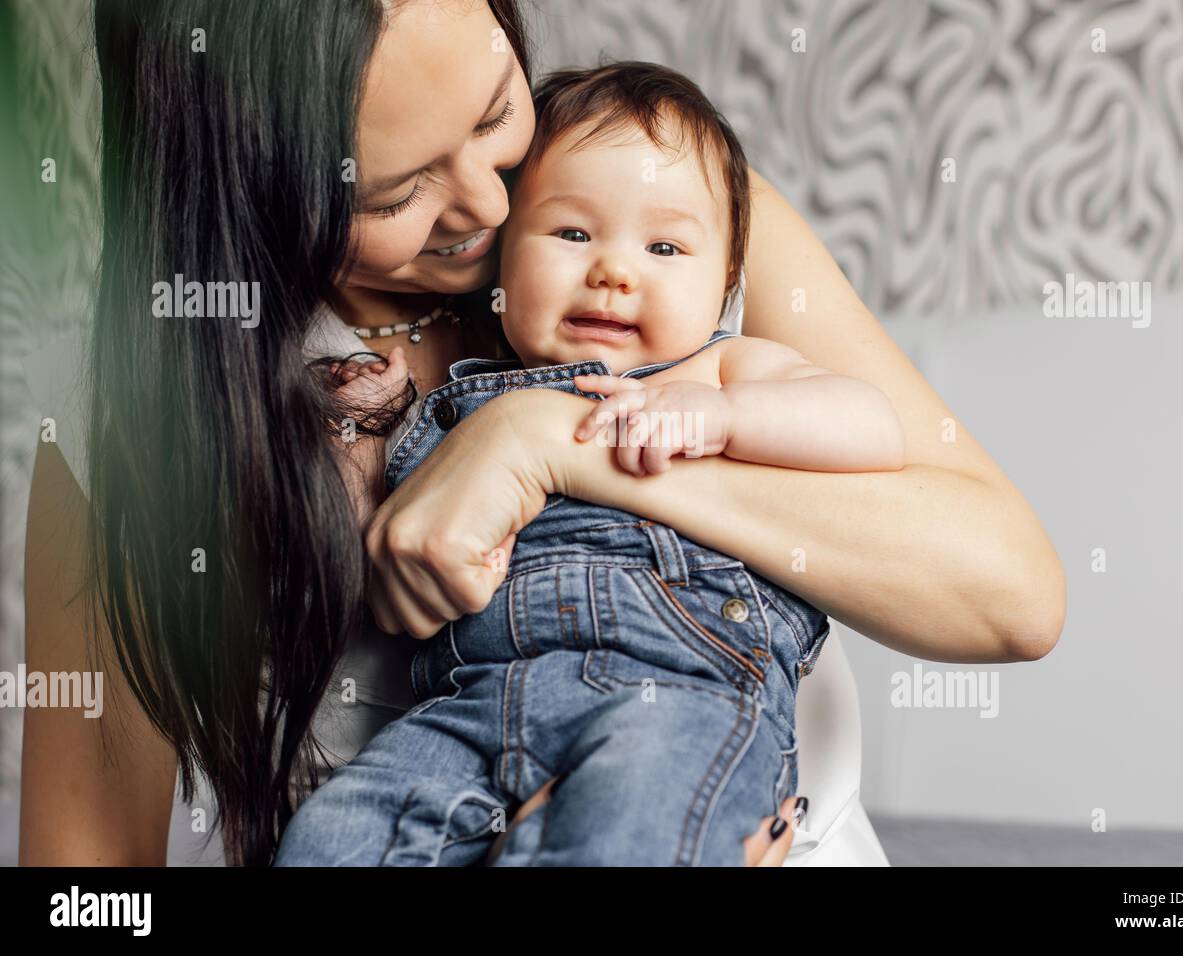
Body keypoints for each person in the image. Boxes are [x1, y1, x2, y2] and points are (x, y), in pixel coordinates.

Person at [21, 0, 1064, 868]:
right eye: (397, 189)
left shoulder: (664, 209)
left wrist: (551, 441)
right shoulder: (142, 406)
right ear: (248, 178)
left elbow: (1009, 592)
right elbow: (87, 870)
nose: (486, 202)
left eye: (493, 112)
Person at [273, 61, 907, 866]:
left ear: (726, 287)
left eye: (666, 246)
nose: (613, 269)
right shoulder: (462, 397)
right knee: (334, 837)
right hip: (477, 705)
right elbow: (391, 566)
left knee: (624, 833)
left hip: (681, 693)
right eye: (571, 234)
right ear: (501, 263)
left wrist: (725, 416)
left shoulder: (716, 369)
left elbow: (872, 427)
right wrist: (364, 429)